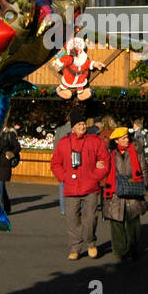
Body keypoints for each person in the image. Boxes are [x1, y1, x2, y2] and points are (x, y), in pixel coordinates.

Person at [50, 105, 109, 259]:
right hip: (70, 188)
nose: (82, 126)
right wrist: (64, 177)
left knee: (90, 218)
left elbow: (105, 159)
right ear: (73, 127)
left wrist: (96, 176)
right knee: (72, 219)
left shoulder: (94, 141)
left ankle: (91, 242)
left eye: (83, 124)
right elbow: (55, 163)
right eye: (79, 125)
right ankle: (75, 247)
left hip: (90, 187)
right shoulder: (63, 143)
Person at [102, 127, 147, 261]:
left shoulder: (136, 150)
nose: (127, 140)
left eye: (127, 137)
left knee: (133, 222)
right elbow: (104, 168)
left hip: (133, 189)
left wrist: (143, 187)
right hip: (115, 191)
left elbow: (143, 168)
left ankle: (132, 249)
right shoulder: (109, 152)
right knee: (116, 222)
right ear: (116, 141)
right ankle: (120, 251)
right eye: (123, 138)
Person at [0, 124, 21, 216]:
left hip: (4, 164)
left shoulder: (10, 134)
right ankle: (7, 207)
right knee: (1, 187)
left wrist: (11, 154)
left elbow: (18, 147)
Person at [52, 116, 72, 217]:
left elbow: (55, 146)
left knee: (62, 185)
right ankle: (77, 209)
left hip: (62, 161)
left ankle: (63, 209)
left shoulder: (60, 129)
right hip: (73, 160)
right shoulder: (74, 130)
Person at [130, 117, 148, 191]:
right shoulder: (144, 133)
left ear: (136, 125)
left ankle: (143, 186)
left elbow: (139, 146)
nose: (133, 126)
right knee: (145, 171)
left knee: (142, 171)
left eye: (134, 125)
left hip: (142, 156)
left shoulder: (138, 134)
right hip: (146, 155)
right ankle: (145, 186)